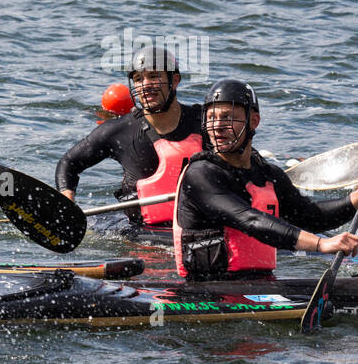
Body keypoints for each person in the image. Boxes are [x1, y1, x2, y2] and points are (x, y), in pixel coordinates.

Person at [172, 80, 358, 280]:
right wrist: (320, 244)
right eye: (211, 118)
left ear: (254, 121)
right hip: (207, 288)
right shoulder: (200, 174)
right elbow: (250, 220)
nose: (217, 126)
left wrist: (353, 199)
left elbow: (313, 218)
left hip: (261, 282)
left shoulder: (268, 174)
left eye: (227, 117)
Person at [56, 47, 204, 228]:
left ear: (174, 80)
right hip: (139, 233)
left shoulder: (205, 123)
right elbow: (69, 162)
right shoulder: (119, 131)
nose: (145, 84)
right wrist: (67, 201)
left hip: (198, 229)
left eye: (153, 76)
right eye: (138, 79)